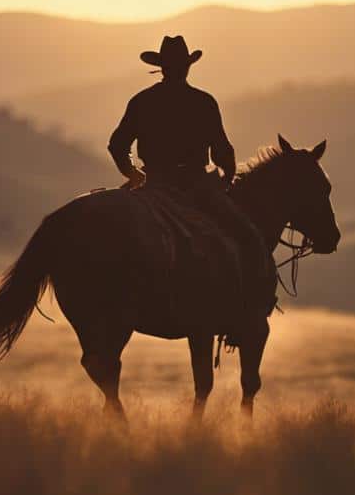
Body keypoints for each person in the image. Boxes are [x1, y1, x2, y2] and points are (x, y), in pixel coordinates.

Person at [108, 35, 275, 343]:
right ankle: (248, 311)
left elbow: (117, 145)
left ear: (161, 68)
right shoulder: (203, 102)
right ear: (187, 68)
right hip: (196, 185)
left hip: (152, 184)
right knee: (248, 236)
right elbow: (222, 151)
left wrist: (133, 175)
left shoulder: (142, 101)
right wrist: (227, 177)